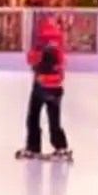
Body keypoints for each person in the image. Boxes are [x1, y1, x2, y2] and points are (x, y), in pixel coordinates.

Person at [18, 18, 70, 160]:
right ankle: (61, 147)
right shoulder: (59, 45)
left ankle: (33, 147)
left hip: (41, 85)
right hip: (57, 87)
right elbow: (63, 64)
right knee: (54, 120)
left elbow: (31, 60)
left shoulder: (40, 45)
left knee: (33, 117)